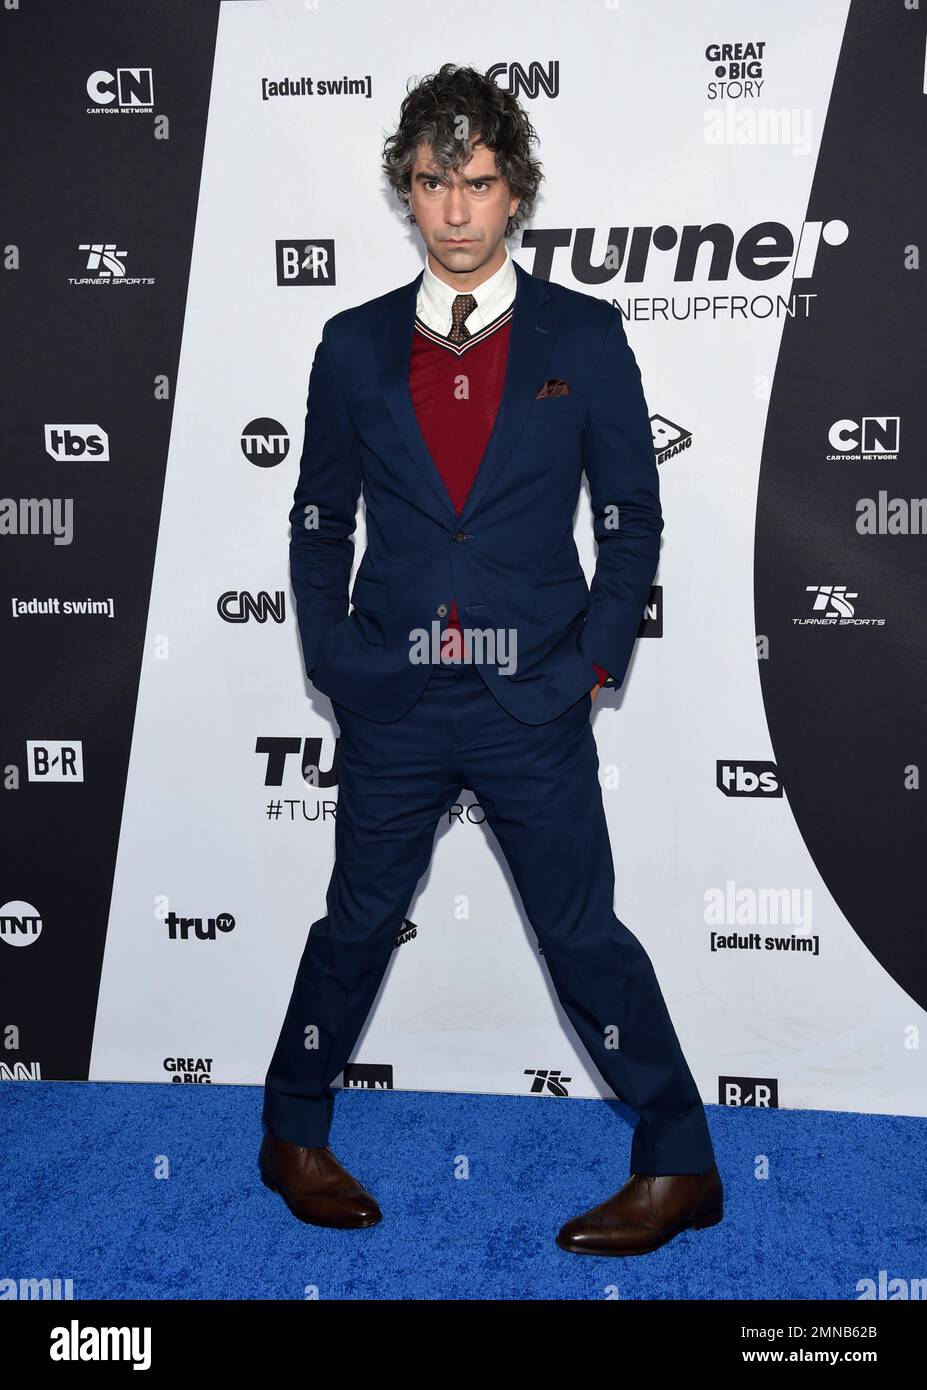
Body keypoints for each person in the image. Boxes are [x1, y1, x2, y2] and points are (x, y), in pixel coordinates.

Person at [260, 62, 722, 1256]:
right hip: (395, 698)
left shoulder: (586, 332)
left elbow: (630, 514)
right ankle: (292, 1132)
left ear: (515, 191)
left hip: (534, 695)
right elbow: (317, 519)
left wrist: (593, 661)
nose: (455, 212)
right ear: (404, 193)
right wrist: (337, 657)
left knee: (583, 938)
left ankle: (680, 1160)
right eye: (431, 183)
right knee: (356, 924)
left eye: (477, 182)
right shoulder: (351, 344)